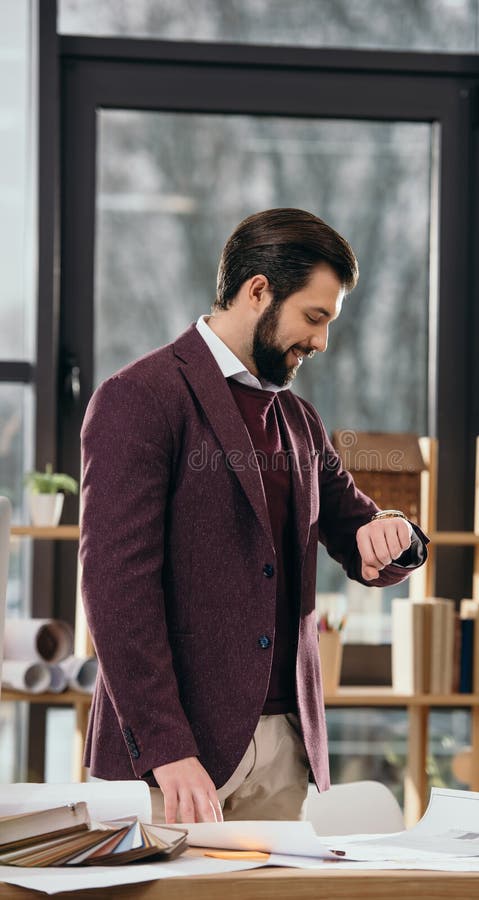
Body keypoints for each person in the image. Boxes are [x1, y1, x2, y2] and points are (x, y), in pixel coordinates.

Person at [79, 208, 429, 825]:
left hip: (288, 749)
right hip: (174, 760)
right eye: (314, 317)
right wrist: (167, 748)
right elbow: (116, 590)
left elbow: (356, 528)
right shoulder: (141, 397)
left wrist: (392, 535)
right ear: (258, 290)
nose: (321, 341)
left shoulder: (299, 419)